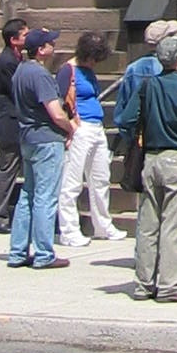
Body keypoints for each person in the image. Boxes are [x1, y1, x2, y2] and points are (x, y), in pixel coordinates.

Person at [114, 28, 177, 303]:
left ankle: (143, 284)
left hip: (151, 159)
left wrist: (136, 141)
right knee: (176, 225)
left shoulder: (147, 85)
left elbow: (126, 119)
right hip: (176, 157)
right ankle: (170, 285)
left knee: (148, 224)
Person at [7, 28, 74, 271]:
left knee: (28, 194)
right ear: (41, 49)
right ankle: (44, 252)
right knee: (46, 197)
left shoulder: (20, 71)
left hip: (27, 138)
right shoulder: (40, 74)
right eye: (50, 44)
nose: (53, 47)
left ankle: (17, 251)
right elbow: (55, 112)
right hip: (46, 139)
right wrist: (70, 129)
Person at [57, 31, 125, 247]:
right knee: (72, 180)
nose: (95, 63)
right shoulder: (68, 70)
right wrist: (69, 128)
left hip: (96, 126)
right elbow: (60, 101)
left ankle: (103, 225)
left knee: (100, 178)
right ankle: (69, 230)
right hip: (80, 127)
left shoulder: (87, 70)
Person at [0, 17, 28, 232]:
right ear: (14, 40)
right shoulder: (7, 62)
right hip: (9, 121)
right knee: (8, 168)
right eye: (25, 35)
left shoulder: (17, 59)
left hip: (18, 121)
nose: (28, 38)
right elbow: (16, 90)